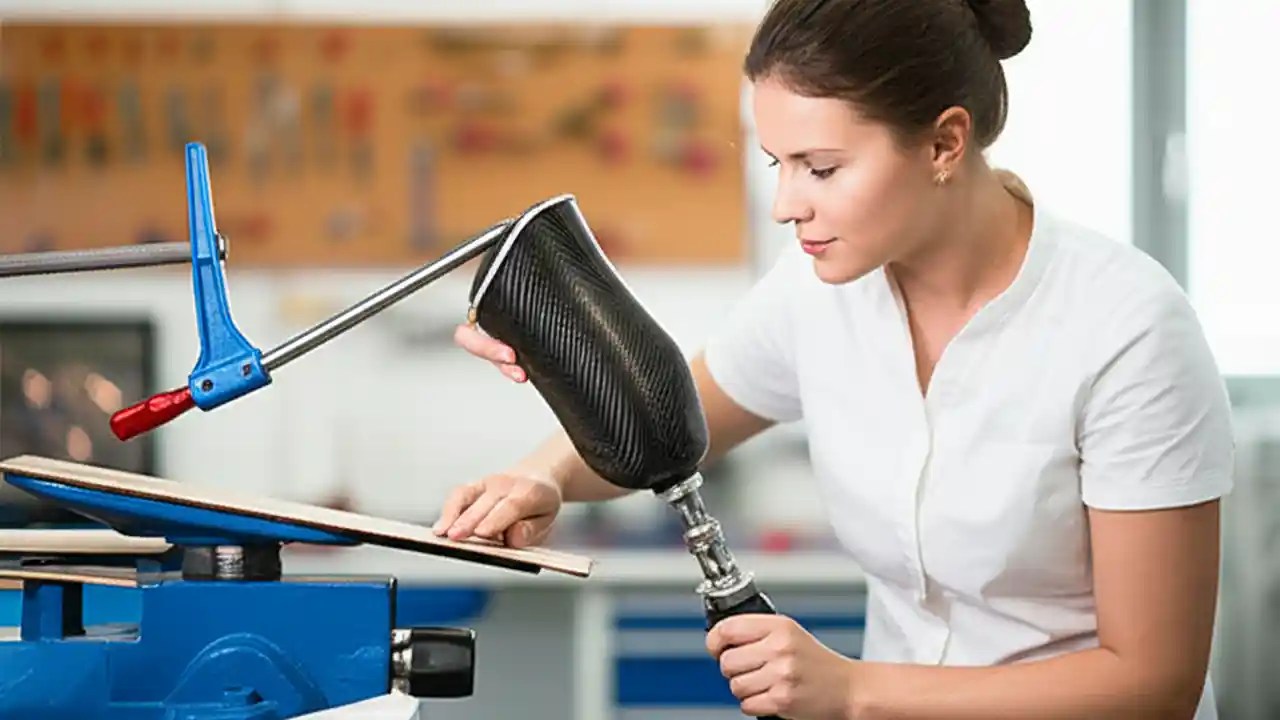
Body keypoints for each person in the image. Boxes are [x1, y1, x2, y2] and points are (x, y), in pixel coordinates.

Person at [434, 0, 1234, 717]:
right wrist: (546, 475)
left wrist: (855, 690)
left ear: (945, 143)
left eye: (821, 168)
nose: (787, 205)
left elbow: (1151, 681)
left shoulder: (1127, 329)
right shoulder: (817, 293)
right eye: (777, 165)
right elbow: (675, 423)